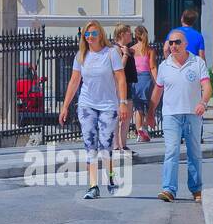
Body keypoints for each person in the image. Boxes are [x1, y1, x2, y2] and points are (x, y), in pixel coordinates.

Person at [58, 21, 129, 200]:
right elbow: (74, 81)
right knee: (90, 144)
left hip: (108, 105)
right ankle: (93, 185)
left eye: (93, 34)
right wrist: (65, 106)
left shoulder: (111, 53)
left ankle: (110, 177)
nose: (90, 37)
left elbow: (121, 78)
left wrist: (122, 102)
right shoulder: (81, 55)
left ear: (101, 35)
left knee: (106, 143)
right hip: (87, 104)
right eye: (87, 35)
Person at [147, 30, 212, 203]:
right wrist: (151, 112)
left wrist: (203, 103)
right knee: (171, 151)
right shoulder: (164, 66)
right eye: (171, 42)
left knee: (194, 153)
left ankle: (196, 189)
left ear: (186, 44)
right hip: (171, 115)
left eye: (177, 42)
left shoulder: (197, 63)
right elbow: (158, 90)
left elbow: (207, 86)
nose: (173, 46)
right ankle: (168, 189)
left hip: (192, 114)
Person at [112, 24, 137, 154]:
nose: (131, 35)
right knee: (118, 116)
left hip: (128, 84)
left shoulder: (126, 48)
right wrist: (126, 55)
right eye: (128, 32)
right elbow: (118, 68)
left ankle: (123, 144)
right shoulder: (115, 49)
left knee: (127, 116)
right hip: (118, 86)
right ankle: (116, 145)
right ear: (122, 34)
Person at [131, 25, 157, 141]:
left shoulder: (131, 50)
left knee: (138, 108)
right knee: (149, 107)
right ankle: (144, 128)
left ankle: (139, 133)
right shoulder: (150, 50)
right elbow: (152, 67)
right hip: (146, 79)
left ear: (135, 36)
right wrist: (157, 82)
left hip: (135, 80)